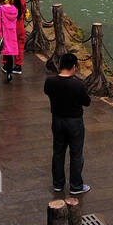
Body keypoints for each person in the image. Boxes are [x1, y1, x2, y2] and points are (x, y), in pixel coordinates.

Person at [44, 51, 91, 195]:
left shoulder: (50, 82)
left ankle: (58, 184)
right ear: (74, 67)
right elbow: (87, 102)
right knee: (76, 154)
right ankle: (76, 186)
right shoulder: (78, 85)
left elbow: (47, 92)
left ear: (60, 65)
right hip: (74, 122)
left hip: (57, 120)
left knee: (58, 153)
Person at [4, 0, 27, 74]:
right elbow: (24, 10)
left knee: (8, 44)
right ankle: (18, 66)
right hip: (20, 25)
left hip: (10, 25)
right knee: (20, 44)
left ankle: (6, 65)